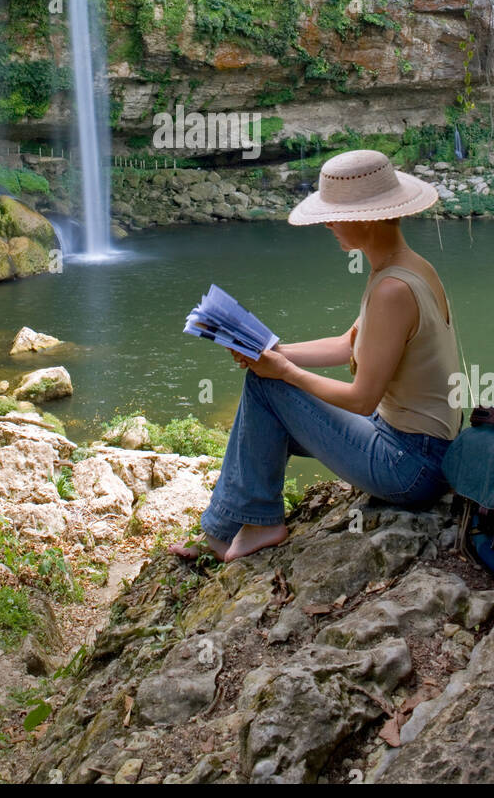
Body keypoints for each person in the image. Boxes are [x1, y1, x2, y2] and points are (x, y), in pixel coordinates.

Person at [169, 148, 462, 564]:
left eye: (333, 214)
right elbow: (348, 344)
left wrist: (283, 371)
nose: (326, 224)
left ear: (368, 216)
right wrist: (273, 351)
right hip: (419, 448)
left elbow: (361, 398)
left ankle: (245, 527)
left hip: (411, 466)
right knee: (266, 385)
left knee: (268, 386)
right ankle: (237, 524)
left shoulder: (392, 289)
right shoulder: (404, 267)